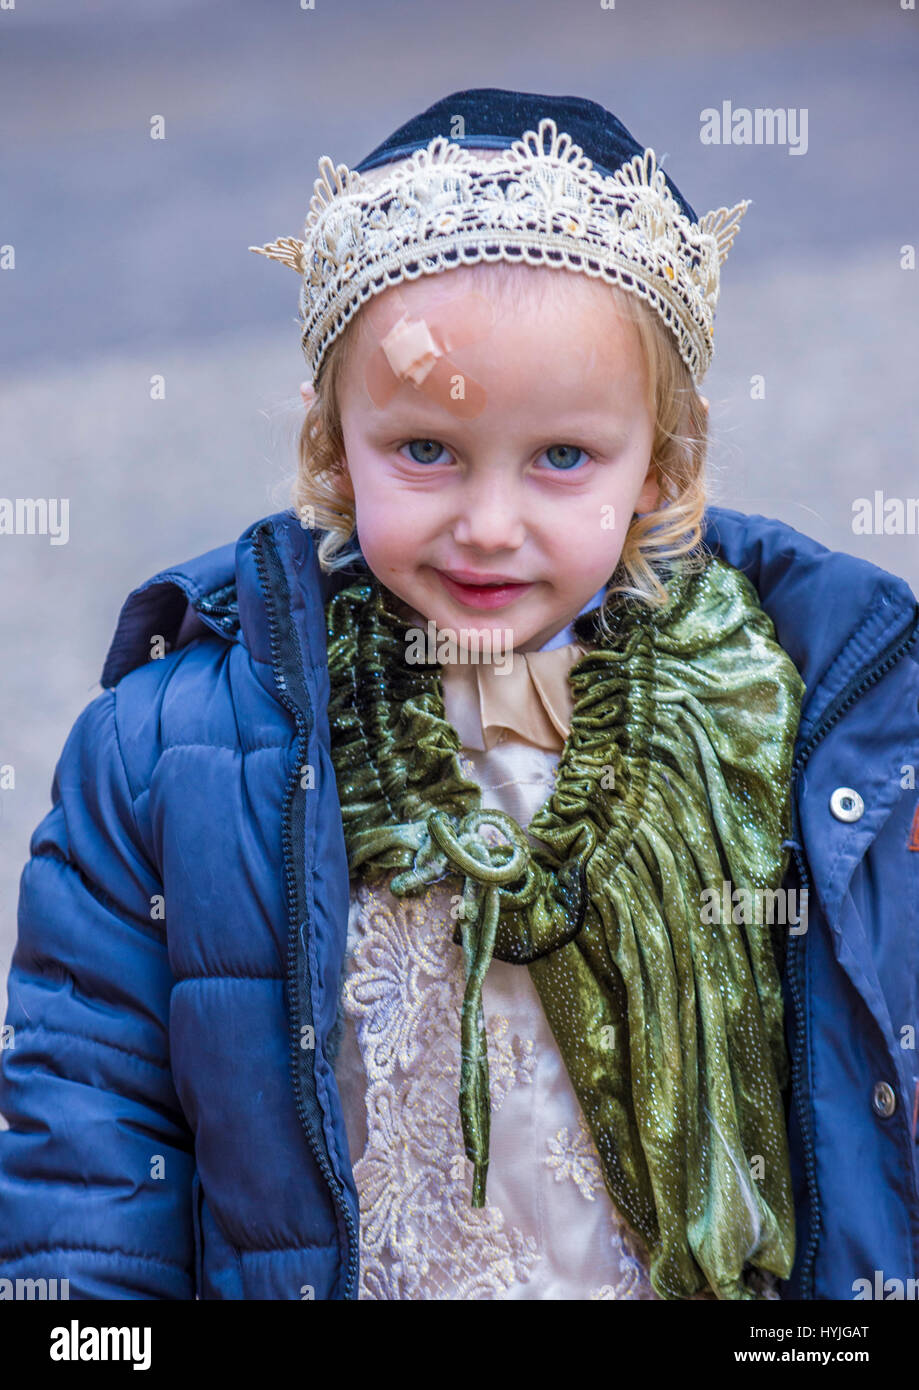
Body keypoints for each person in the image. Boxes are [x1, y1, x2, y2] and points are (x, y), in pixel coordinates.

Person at [0, 88, 917, 1303]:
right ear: (335, 446)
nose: (489, 526)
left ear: (660, 465)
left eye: (562, 459)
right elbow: (88, 1104)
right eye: (425, 451)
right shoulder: (170, 748)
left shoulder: (803, 719)